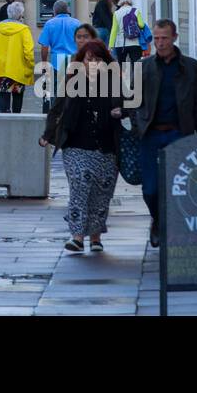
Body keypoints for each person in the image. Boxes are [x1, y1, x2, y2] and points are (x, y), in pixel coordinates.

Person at [40, 39, 125, 254]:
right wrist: (48, 135)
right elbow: (57, 109)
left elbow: (131, 104)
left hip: (105, 146)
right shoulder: (72, 81)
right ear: (82, 61)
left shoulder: (114, 82)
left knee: (101, 192)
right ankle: (77, 236)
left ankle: (95, 237)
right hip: (76, 144)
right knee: (80, 184)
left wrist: (121, 111)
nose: (94, 63)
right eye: (90, 59)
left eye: (98, 59)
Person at [130, 19, 197, 248]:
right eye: (156, 38)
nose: (160, 43)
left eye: (164, 38)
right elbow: (133, 100)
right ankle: (157, 219)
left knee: (178, 185)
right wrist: (137, 127)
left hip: (178, 133)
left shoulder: (191, 67)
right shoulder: (144, 67)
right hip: (151, 134)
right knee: (151, 188)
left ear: (174, 37)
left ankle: (174, 226)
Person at [0, 1, 36, 114]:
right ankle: (16, 122)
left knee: (3, 98)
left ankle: (3, 124)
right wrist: (30, 67)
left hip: (1, 70)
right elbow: (28, 52)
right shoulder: (24, 30)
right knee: (17, 99)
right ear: (20, 15)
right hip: (18, 71)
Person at [38, 0, 83, 95]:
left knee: (57, 91)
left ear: (54, 11)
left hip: (56, 62)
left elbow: (44, 47)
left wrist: (44, 63)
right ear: (67, 10)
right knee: (74, 91)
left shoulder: (49, 24)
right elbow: (82, 44)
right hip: (74, 61)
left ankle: (57, 109)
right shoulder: (77, 23)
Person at [109, 0, 151, 65]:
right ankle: (135, 76)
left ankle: (123, 75)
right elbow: (141, 25)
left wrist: (110, 45)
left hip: (120, 44)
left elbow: (114, 30)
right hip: (135, 43)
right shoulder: (136, 11)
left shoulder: (116, 13)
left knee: (121, 66)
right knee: (136, 65)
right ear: (130, 1)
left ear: (120, 2)